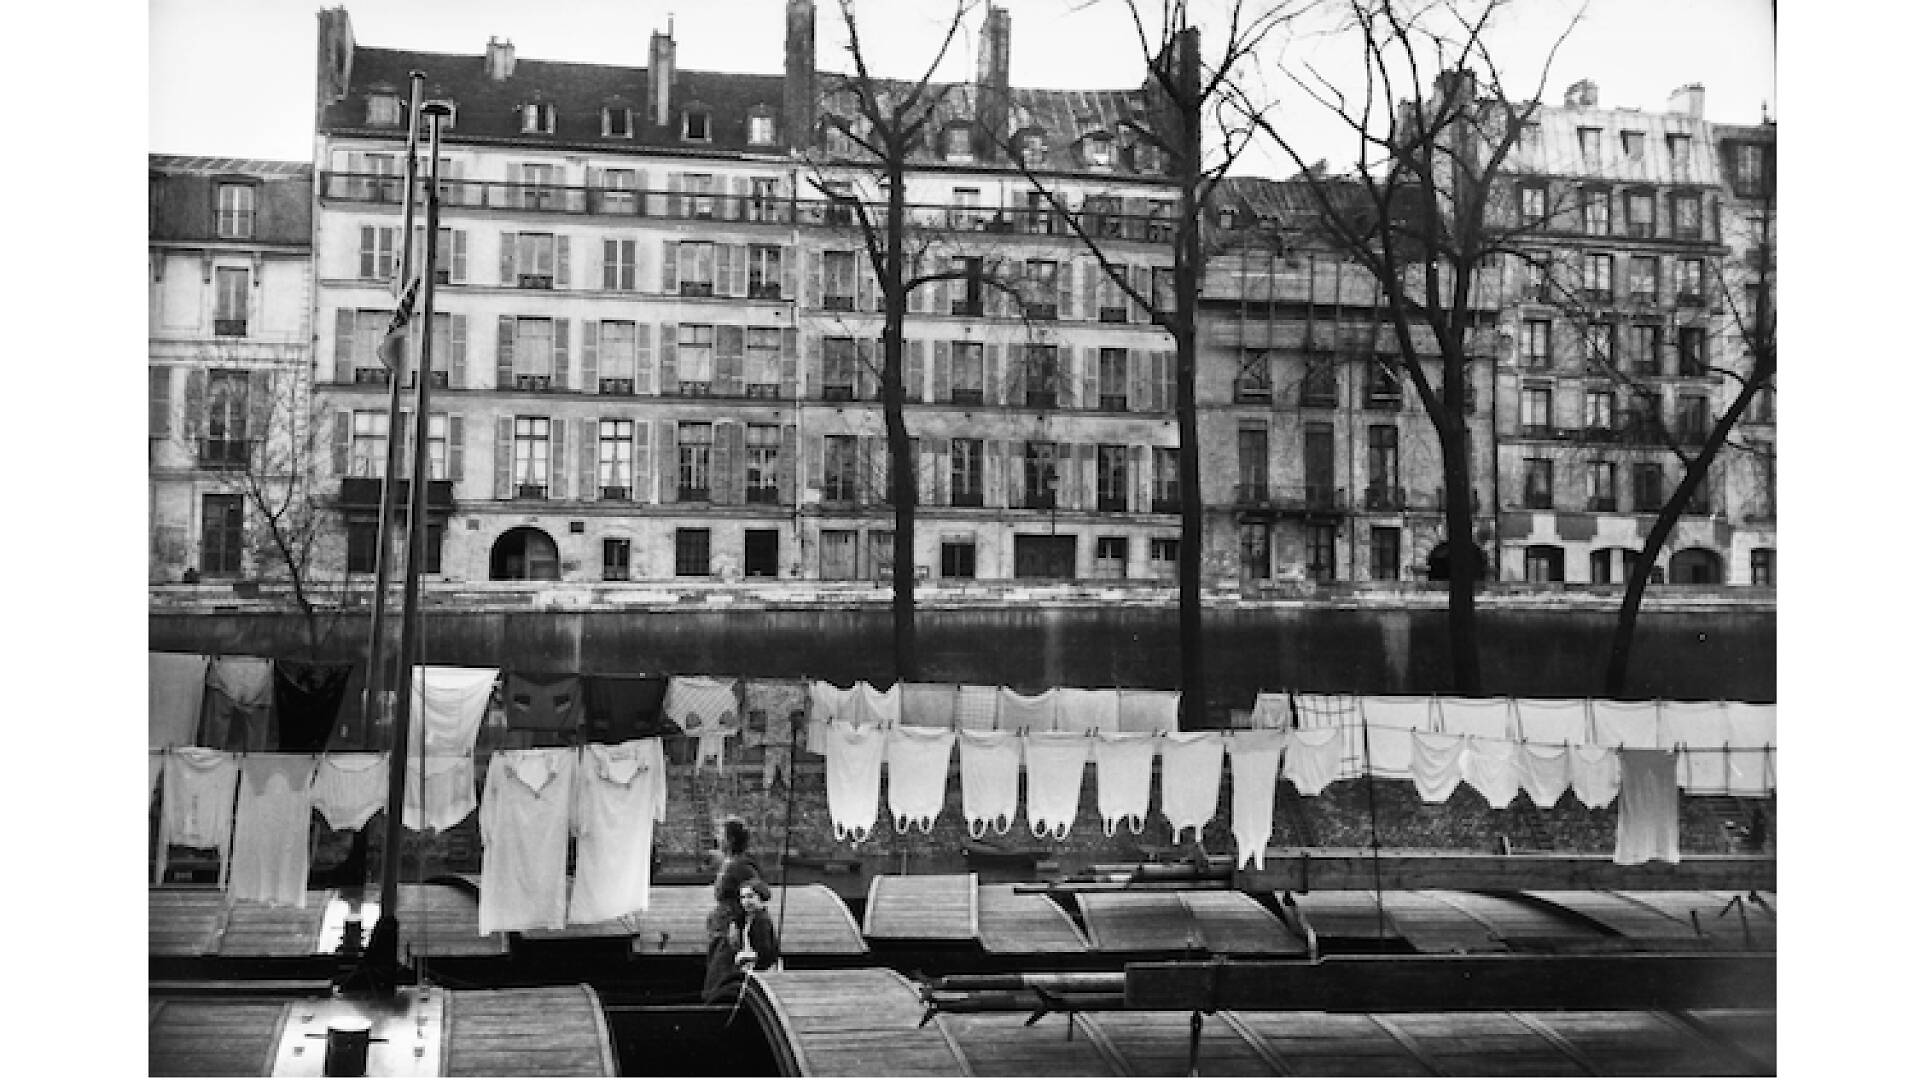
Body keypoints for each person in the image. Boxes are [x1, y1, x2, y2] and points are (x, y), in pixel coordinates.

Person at [702, 818, 774, 1002]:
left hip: (731, 932)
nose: (717, 836)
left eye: (721, 833)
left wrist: (737, 922)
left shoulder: (741, 866)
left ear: (731, 839)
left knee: (721, 977)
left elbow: (756, 890)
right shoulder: (731, 862)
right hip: (722, 930)